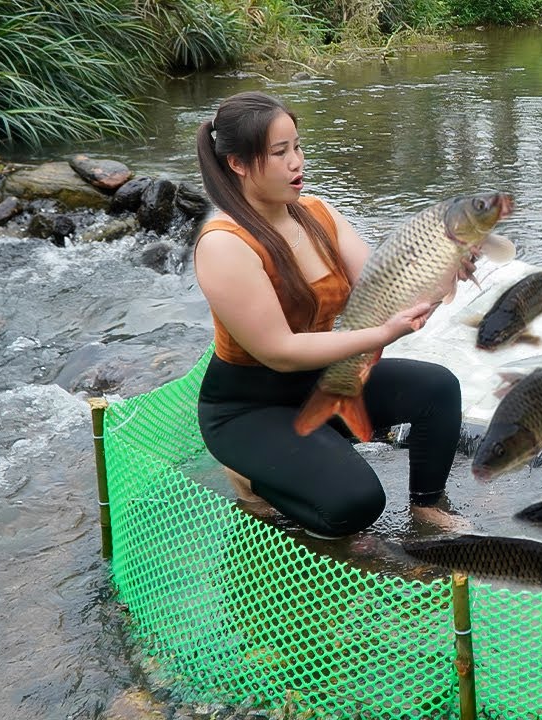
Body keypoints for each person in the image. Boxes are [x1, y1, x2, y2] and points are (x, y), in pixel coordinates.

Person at [192, 90, 467, 538]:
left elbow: (389, 289)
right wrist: (382, 334)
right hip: (250, 408)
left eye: (297, 146)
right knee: (355, 505)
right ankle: (252, 477)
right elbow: (279, 352)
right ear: (238, 164)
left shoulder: (318, 214)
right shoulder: (224, 244)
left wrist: (444, 269)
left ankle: (427, 509)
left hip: (321, 381)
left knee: (438, 388)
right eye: (280, 153)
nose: (297, 162)